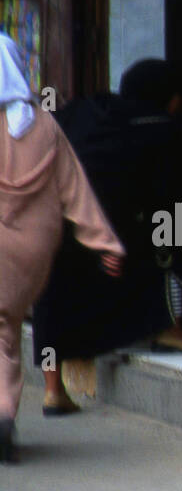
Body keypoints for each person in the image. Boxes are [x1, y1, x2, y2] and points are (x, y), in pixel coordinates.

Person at [32, 58, 182, 417]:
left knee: (52, 289)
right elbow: (166, 202)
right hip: (105, 223)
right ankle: (170, 326)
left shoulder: (82, 110)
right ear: (166, 96)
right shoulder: (161, 127)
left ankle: (52, 391)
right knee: (174, 232)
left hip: (51, 214)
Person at [0, 33, 125, 463]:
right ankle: (2, 412)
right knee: (5, 328)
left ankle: (1, 413)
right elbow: (75, 190)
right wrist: (104, 241)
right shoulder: (45, 125)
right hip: (30, 254)